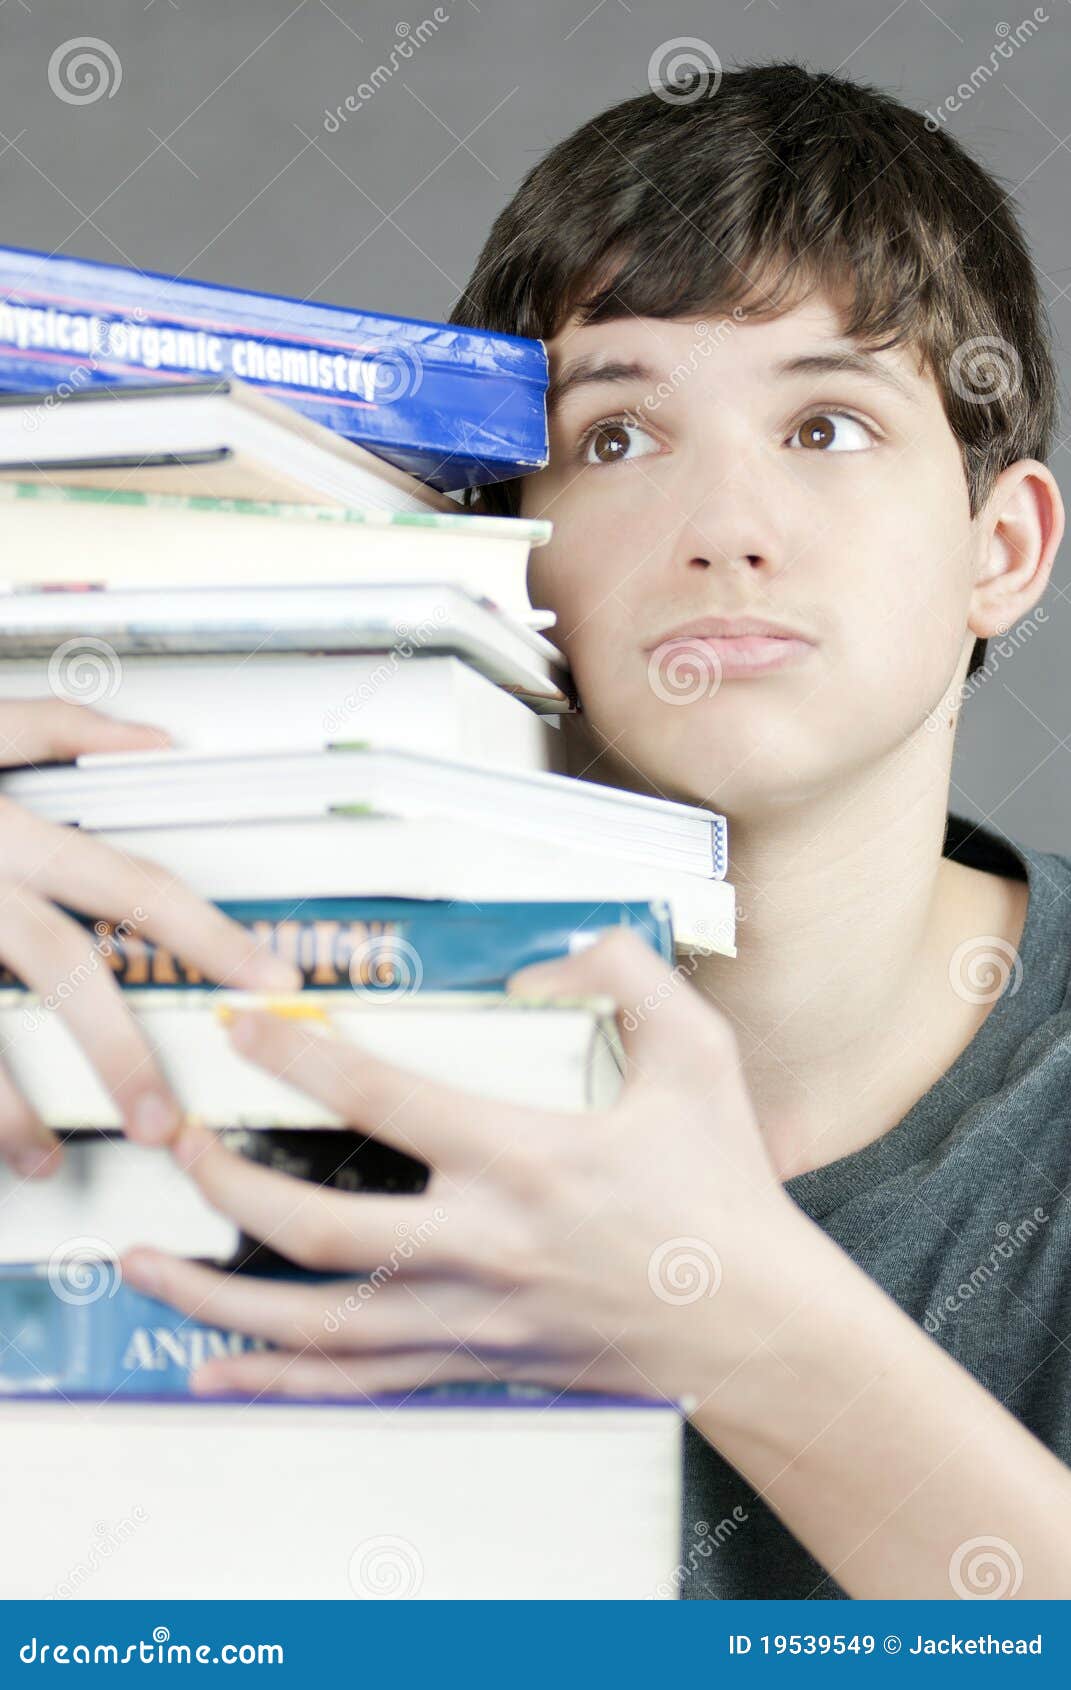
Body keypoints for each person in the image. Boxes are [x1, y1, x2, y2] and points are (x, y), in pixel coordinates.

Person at [15, 59, 1071, 1598]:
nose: (727, 526)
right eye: (619, 438)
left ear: (1004, 548)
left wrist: (732, 1315)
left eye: (829, 427)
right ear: (491, 543)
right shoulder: (218, 989)